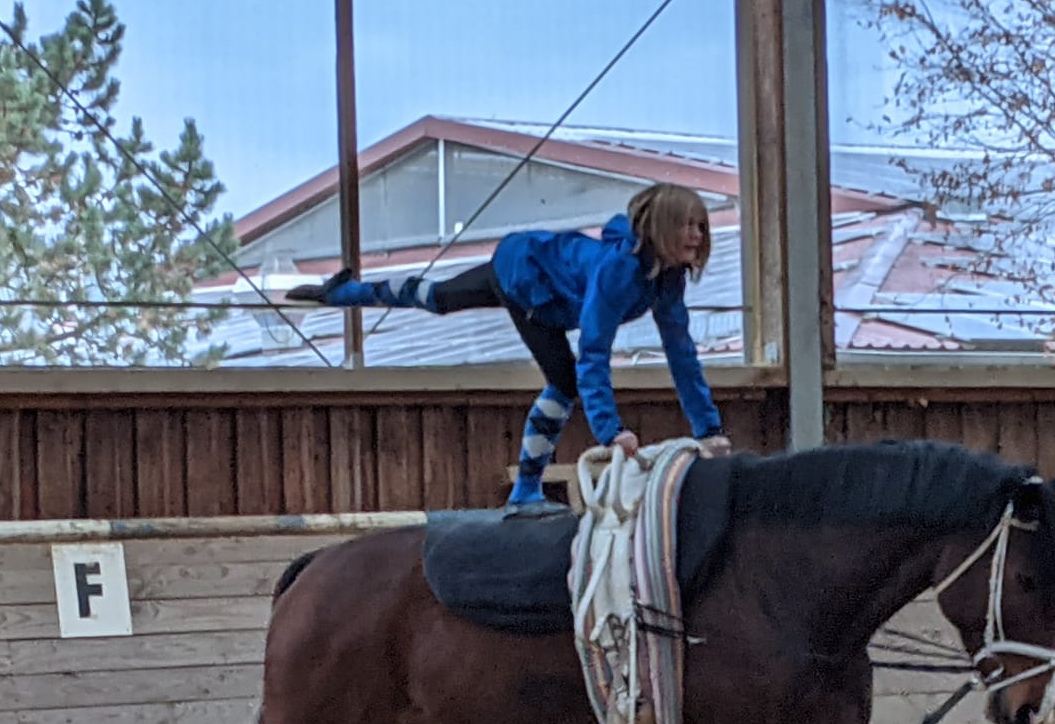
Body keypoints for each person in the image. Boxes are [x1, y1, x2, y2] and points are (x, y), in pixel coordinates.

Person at [287, 181, 731, 511]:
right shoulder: (619, 272)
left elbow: (682, 353)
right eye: (686, 225)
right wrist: (610, 431)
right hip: (527, 280)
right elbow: (594, 352)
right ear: (661, 229)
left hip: (526, 260)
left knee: (440, 298)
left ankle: (344, 293)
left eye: (700, 226)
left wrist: (708, 428)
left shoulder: (666, 279)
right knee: (563, 380)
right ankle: (526, 490)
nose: (696, 235)